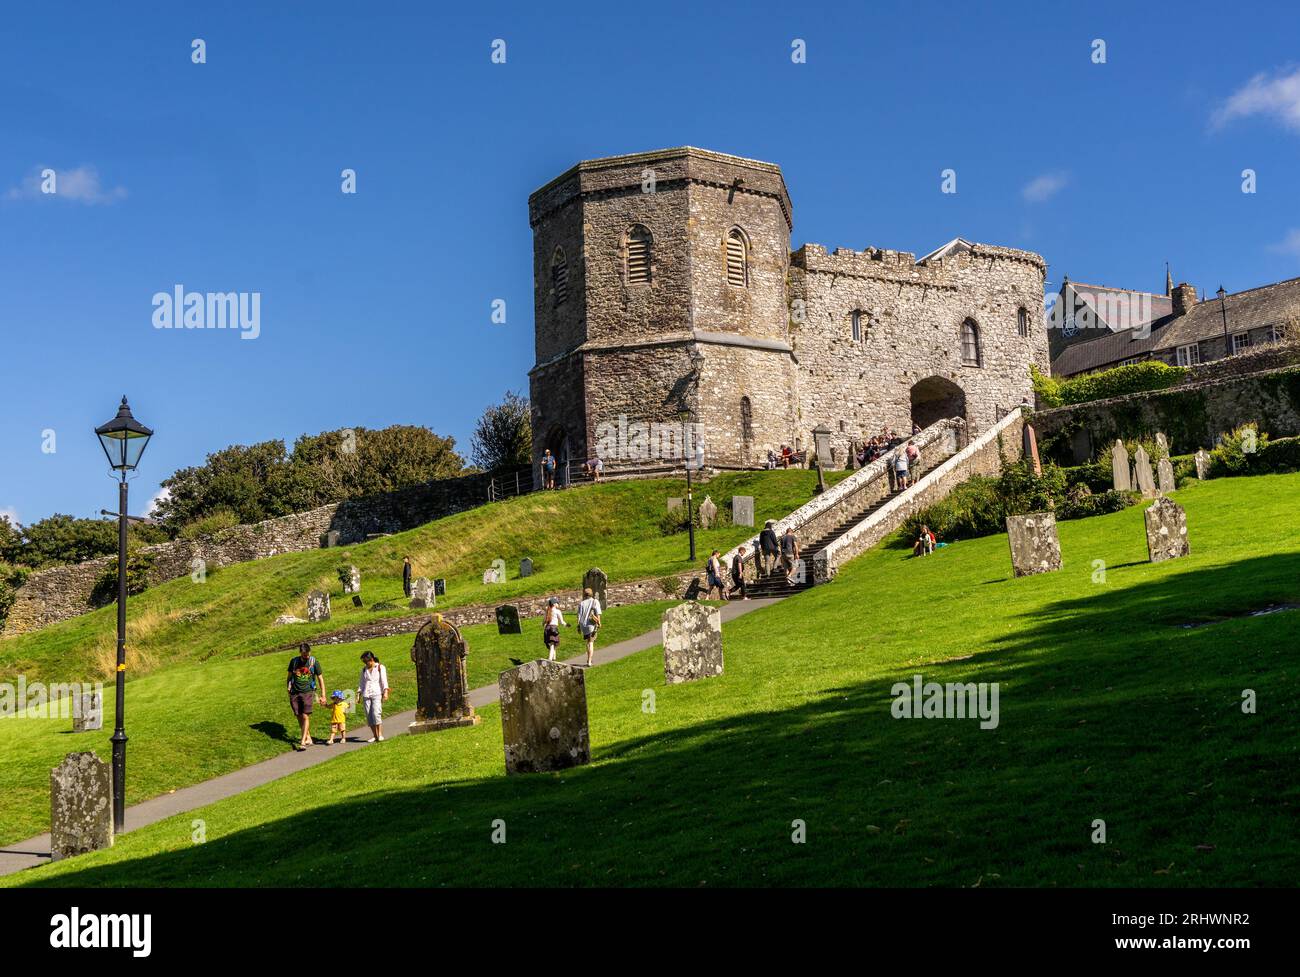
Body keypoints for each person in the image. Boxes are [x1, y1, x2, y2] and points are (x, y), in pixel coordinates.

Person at [286, 642, 325, 751]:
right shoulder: (294, 662)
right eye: (304, 655)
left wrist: (323, 695)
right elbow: (289, 677)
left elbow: (320, 678)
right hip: (294, 692)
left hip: (308, 692)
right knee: (298, 715)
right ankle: (308, 737)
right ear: (300, 653)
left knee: (305, 716)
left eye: (307, 654)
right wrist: (288, 688)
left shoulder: (313, 662)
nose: (306, 656)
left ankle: (303, 742)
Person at [357, 650, 389, 742]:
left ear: (371, 660)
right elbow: (362, 683)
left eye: (366, 661)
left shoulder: (380, 667)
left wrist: (385, 692)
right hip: (366, 694)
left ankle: (380, 735)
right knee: (369, 716)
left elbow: (384, 680)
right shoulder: (364, 670)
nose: (365, 664)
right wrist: (358, 694)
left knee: (376, 713)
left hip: (376, 693)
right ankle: (375, 736)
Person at [576, 587, 602, 666]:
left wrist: (578, 626)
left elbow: (579, 616)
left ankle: (588, 659)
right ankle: (590, 661)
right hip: (591, 624)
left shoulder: (581, 603)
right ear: (592, 594)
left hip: (583, 625)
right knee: (591, 643)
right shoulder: (595, 601)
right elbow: (598, 613)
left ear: (584, 594)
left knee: (588, 642)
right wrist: (599, 622)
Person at [543, 597, 567, 661]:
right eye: (557, 603)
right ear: (554, 604)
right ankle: (550, 659)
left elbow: (544, 621)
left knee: (552, 644)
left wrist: (544, 626)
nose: (558, 604)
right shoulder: (557, 611)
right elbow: (562, 622)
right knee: (552, 644)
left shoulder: (547, 611)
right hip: (553, 629)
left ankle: (554, 658)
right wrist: (566, 625)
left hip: (547, 628)